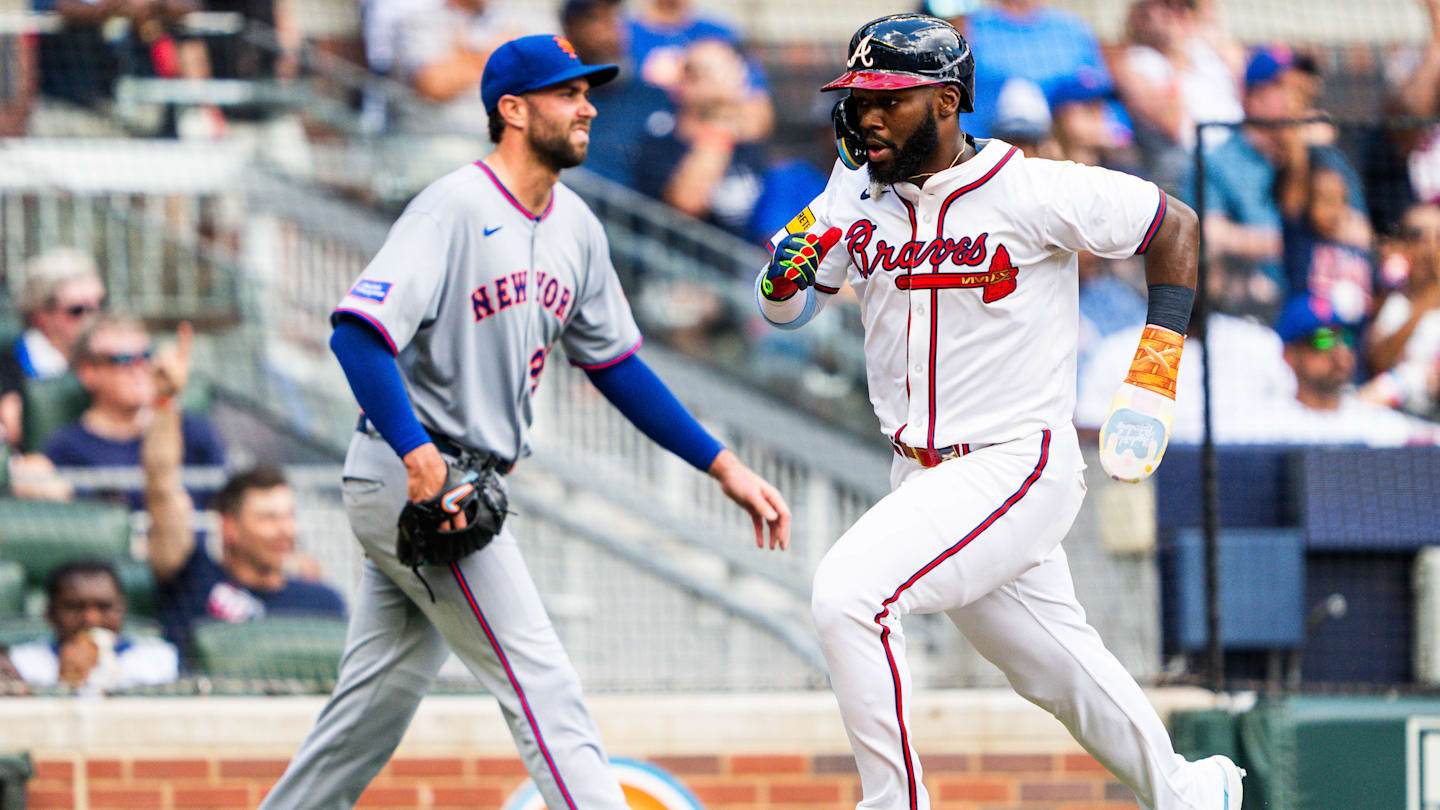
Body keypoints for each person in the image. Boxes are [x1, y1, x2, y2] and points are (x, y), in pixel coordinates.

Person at [258, 35, 790, 810]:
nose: (587, 107)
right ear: (511, 109)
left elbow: (615, 365)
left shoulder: (575, 223)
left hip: (458, 474)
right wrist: (415, 452)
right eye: (567, 93)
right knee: (542, 679)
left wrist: (721, 464)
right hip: (417, 472)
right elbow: (356, 333)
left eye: (587, 92)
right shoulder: (454, 206)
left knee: (369, 711)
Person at [756, 14, 1243, 810]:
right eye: (855, 97)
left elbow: (1173, 224)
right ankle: (1194, 792)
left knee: (849, 594)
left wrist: (1153, 371)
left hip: (1014, 461)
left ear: (946, 101)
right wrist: (794, 261)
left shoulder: (1033, 187)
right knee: (1060, 673)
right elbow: (785, 309)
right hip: (919, 475)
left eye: (888, 97)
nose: (864, 114)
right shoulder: (857, 200)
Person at [43, 314, 226, 510]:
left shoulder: (193, 433)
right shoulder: (67, 449)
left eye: (146, 356)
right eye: (124, 360)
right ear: (88, 371)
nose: (140, 369)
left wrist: (165, 400)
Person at [634, 39, 769, 239]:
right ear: (688, 82)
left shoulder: (746, 141)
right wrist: (721, 113)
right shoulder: (660, 141)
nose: (737, 79)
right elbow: (688, 205)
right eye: (722, 72)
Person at [1113, 0, 1244, 193]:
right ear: (1141, 16)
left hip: (1235, 154)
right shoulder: (1135, 62)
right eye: (1166, 6)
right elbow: (1173, 126)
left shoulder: (1204, 52)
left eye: (1182, 8)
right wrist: (1175, 59)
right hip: (1185, 167)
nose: (1174, 13)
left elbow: (1241, 99)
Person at [0, 559, 178, 695]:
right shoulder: (20, 664)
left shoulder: (161, 660)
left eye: (104, 607)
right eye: (74, 607)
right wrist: (64, 686)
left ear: (121, 609)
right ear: (50, 614)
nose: (91, 619)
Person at [561, 0, 673, 188]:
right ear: (571, 28)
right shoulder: (554, 94)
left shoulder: (653, 97)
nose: (610, 30)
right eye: (596, 19)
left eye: (615, 17)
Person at [0, 248, 106, 447]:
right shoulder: (10, 363)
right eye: (77, 310)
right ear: (40, 315)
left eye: (100, 305)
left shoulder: (115, 357)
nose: (93, 318)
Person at [1365, 203, 1440, 416]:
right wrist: (1422, 308)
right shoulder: (1394, 302)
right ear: (1404, 245)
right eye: (1418, 237)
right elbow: (1377, 361)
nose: (1429, 247)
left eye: (1438, 237)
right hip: (1402, 416)